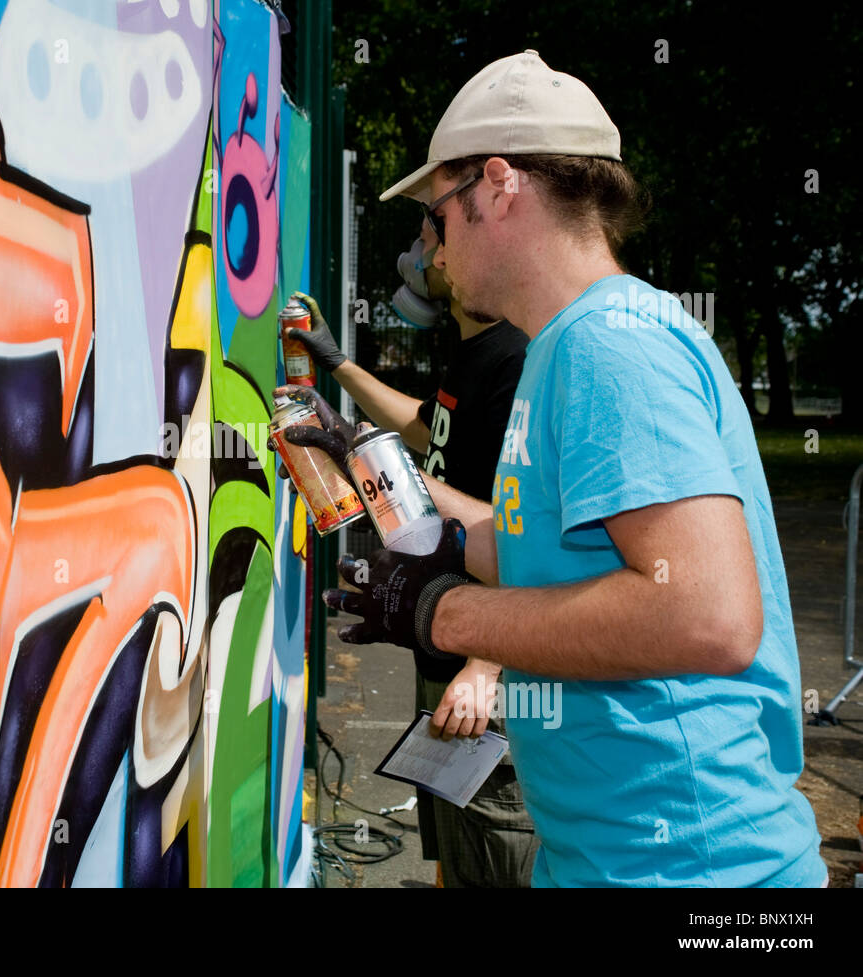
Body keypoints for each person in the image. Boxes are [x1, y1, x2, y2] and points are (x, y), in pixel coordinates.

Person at [285, 50, 827, 887]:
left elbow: (708, 613)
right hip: (612, 859)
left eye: (440, 212)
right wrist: (371, 462)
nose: (433, 247)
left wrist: (446, 616)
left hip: (694, 872)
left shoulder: (610, 344)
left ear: (498, 185)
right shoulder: (563, 346)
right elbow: (543, 545)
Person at [280, 230, 535, 887]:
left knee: (498, 852)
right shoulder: (476, 349)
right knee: (454, 842)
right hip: (449, 639)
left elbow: (527, 531)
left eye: (433, 237)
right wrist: (335, 366)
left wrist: (487, 664)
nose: (426, 256)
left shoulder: (517, 357)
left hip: (485, 661)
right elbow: (426, 426)